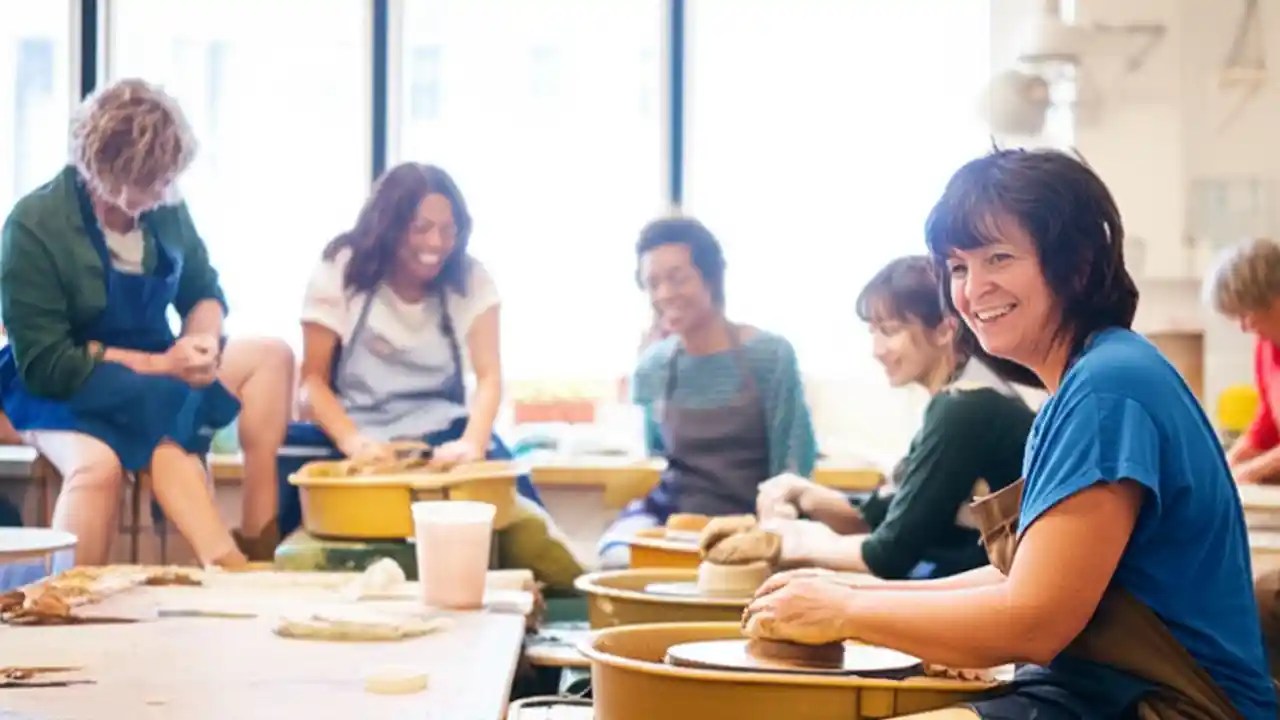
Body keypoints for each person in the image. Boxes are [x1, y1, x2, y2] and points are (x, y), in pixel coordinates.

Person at [744, 149, 1276, 718]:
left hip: (1168, 705)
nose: (974, 290)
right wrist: (844, 594)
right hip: (1096, 689)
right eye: (958, 268)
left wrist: (847, 610)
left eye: (998, 257)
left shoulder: (1107, 390)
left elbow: (1034, 619)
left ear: (1077, 264)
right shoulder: (1083, 383)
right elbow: (1020, 579)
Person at [0, 79, 293, 568]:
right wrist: (162, 365)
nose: (164, 193)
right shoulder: (34, 225)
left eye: (167, 178)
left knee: (269, 355)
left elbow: (204, 290)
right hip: (59, 378)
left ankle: (255, 542)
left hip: (157, 365)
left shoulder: (166, 207)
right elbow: (48, 361)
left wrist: (200, 341)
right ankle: (219, 564)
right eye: (152, 182)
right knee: (110, 459)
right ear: (108, 173)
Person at [279, 162, 582, 590]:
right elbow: (311, 381)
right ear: (389, 224)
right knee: (314, 554)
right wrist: (354, 442)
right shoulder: (343, 267)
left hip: (445, 437)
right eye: (421, 228)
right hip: (359, 440)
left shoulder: (469, 278)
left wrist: (472, 444)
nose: (436, 243)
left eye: (448, 229)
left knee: (532, 539)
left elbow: (490, 376)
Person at [753, 256, 1035, 580]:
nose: (877, 349)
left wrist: (788, 542)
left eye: (890, 331)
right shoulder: (961, 397)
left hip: (979, 597)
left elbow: (888, 554)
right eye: (873, 332)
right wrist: (803, 493)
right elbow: (882, 515)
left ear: (946, 329)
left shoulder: (966, 406)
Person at [598, 216, 817, 568]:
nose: (664, 294)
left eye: (677, 278)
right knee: (616, 559)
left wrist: (771, 529)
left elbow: (793, 463)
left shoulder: (771, 355)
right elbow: (654, 450)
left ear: (712, 278)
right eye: (652, 284)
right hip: (674, 517)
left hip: (755, 519)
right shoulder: (652, 366)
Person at [1204, 238, 1280, 485]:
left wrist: (1250, 471)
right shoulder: (1267, 345)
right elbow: (1266, 427)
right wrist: (1225, 467)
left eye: (1248, 313)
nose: (1245, 327)